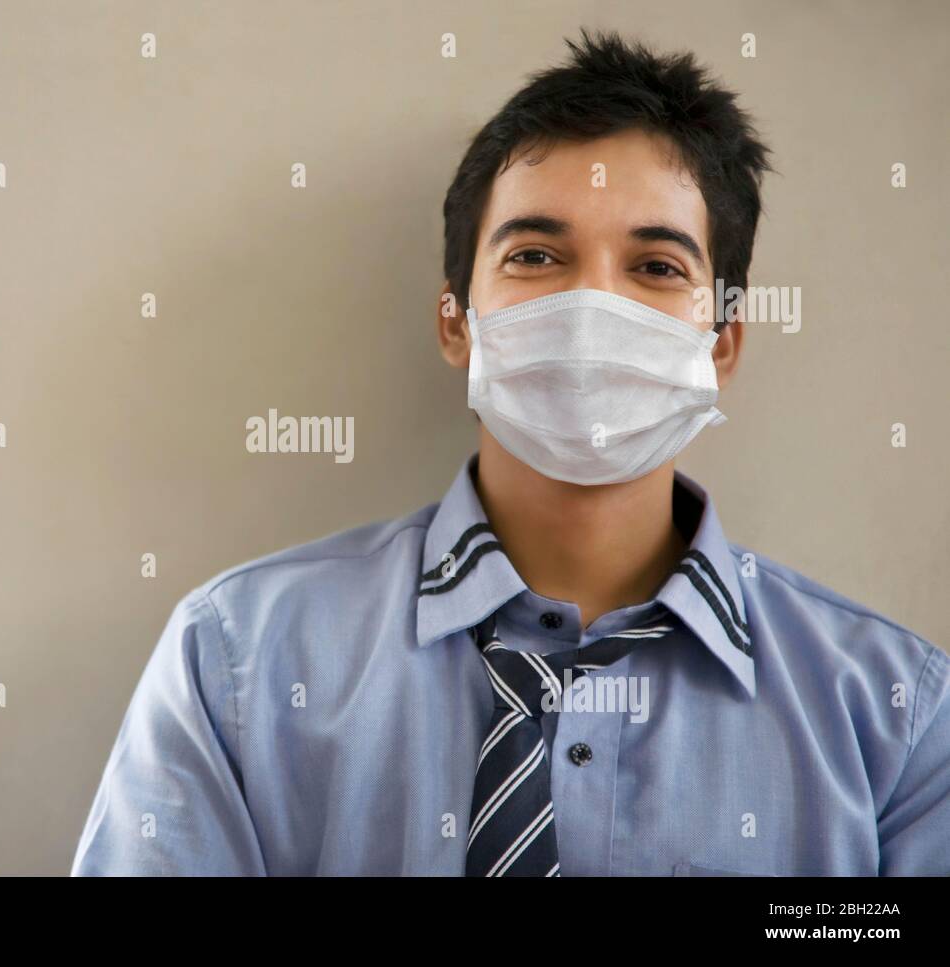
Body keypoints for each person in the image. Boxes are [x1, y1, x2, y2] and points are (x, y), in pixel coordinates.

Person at [71, 29, 950, 876]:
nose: (591, 306)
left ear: (721, 343)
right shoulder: (238, 664)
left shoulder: (894, 718)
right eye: (536, 254)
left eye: (656, 267)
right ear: (456, 323)